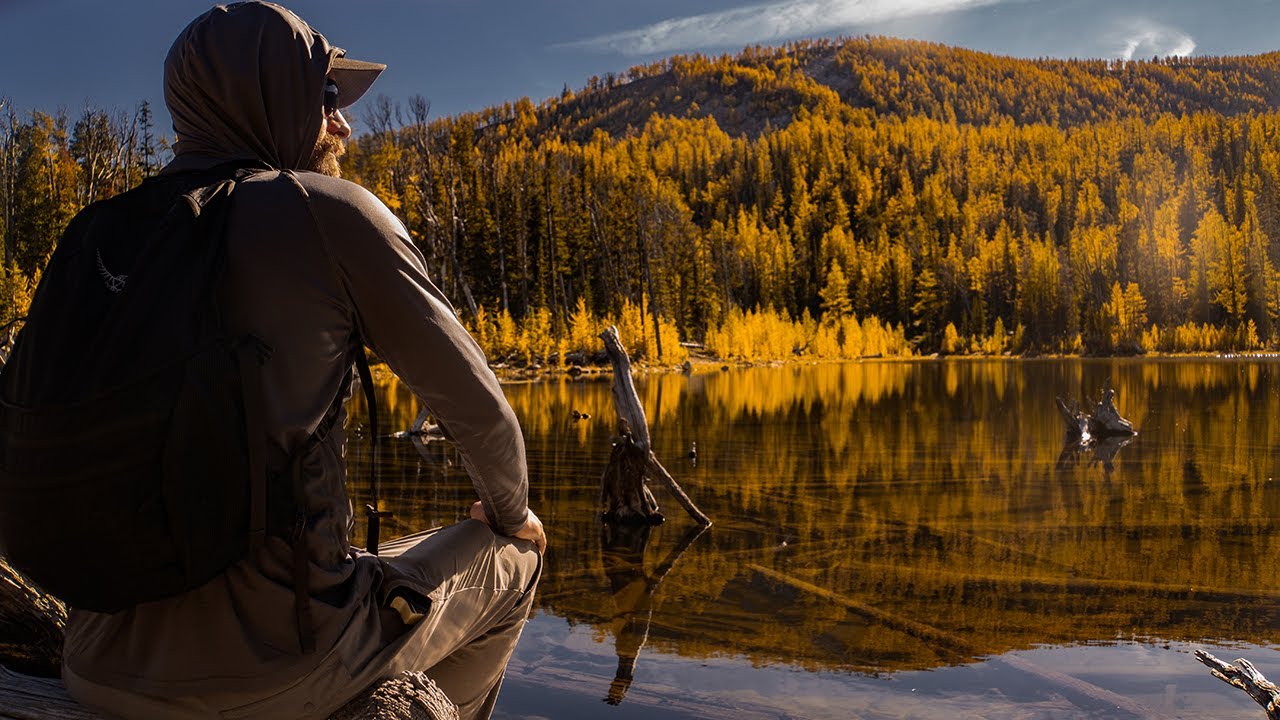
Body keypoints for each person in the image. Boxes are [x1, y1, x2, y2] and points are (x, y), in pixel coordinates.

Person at [57, 3, 545, 719]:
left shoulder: (95, 235)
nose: (344, 123)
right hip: (271, 677)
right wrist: (512, 514)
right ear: (272, 99)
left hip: (92, 661)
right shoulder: (327, 213)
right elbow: (486, 421)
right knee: (514, 553)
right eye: (324, 98)